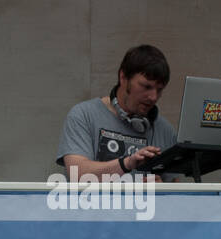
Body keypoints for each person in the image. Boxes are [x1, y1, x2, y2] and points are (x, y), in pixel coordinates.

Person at [56, 44, 178, 178]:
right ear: (123, 77)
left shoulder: (165, 131)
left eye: (159, 90)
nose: (153, 97)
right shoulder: (83, 115)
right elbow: (77, 174)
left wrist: (163, 190)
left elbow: (177, 191)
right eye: (146, 86)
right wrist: (126, 163)